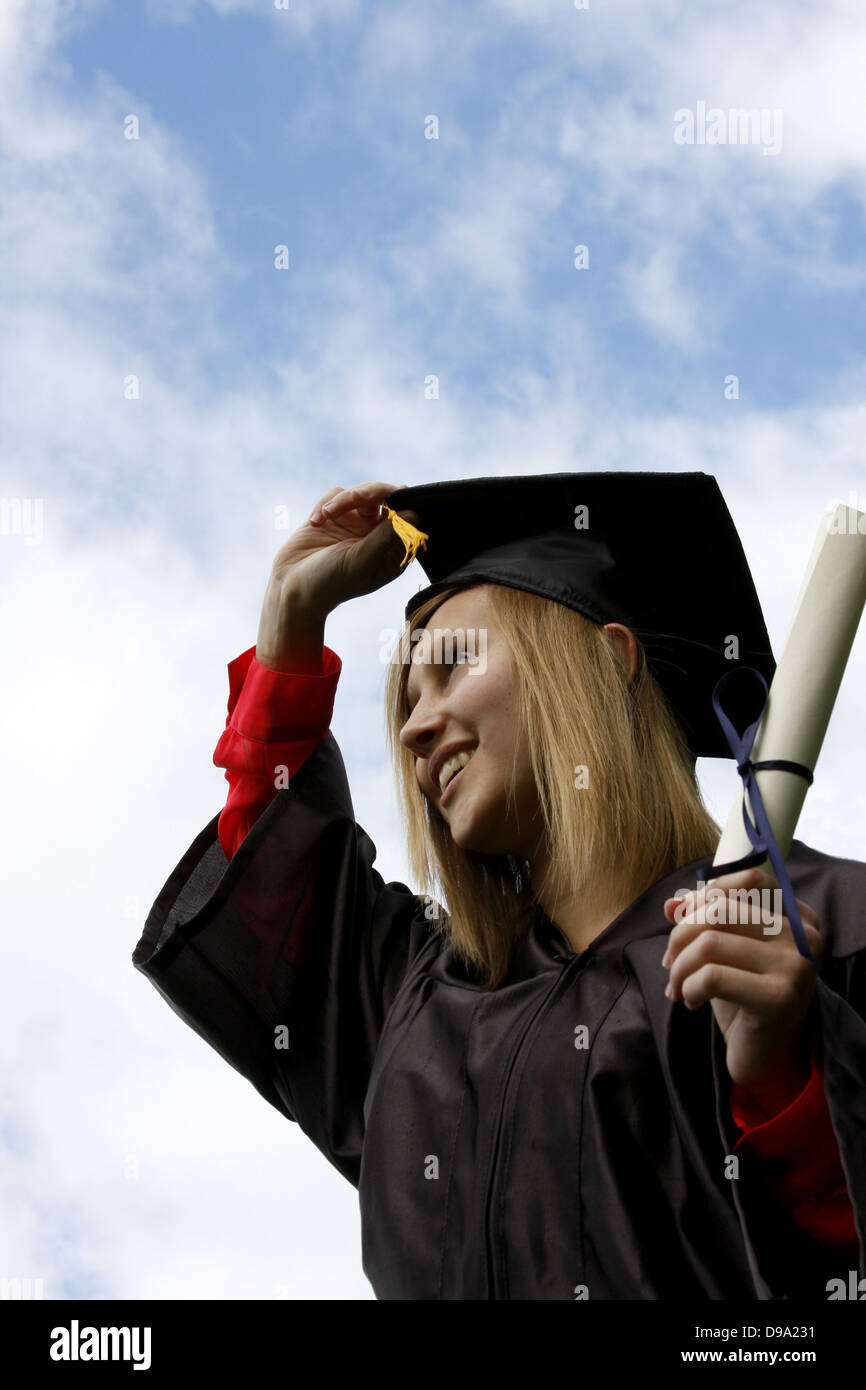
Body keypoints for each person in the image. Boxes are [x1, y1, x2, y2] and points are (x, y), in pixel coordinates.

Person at [133, 473, 865, 1300]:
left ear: (608, 655)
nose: (412, 727)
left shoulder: (824, 927)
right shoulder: (420, 1004)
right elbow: (273, 867)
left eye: (450, 670)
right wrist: (291, 620)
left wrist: (791, 1082)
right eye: (407, 702)